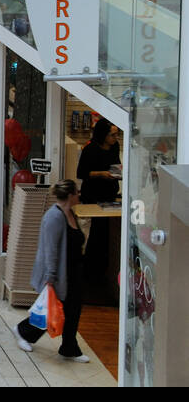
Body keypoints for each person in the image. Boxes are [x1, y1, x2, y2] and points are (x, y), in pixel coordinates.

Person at [12, 179, 90, 361]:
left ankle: (69, 348)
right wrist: (50, 276)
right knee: (53, 309)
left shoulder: (71, 213)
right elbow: (50, 250)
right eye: (77, 193)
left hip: (74, 272)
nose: (79, 195)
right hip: (61, 274)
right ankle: (23, 331)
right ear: (70, 195)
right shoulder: (54, 217)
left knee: (73, 310)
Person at [77, 118, 120, 290]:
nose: (115, 138)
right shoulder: (90, 150)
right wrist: (101, 174)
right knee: (93, 233)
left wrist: (117, 172)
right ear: (103, 134)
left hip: (109, 194)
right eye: (112, 135)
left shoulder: (114, 147)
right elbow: (82, 173)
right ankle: (90, 272)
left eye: (117, 135)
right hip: (93, 196)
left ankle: (102, 271)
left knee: (105, 234)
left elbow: (115, 165)